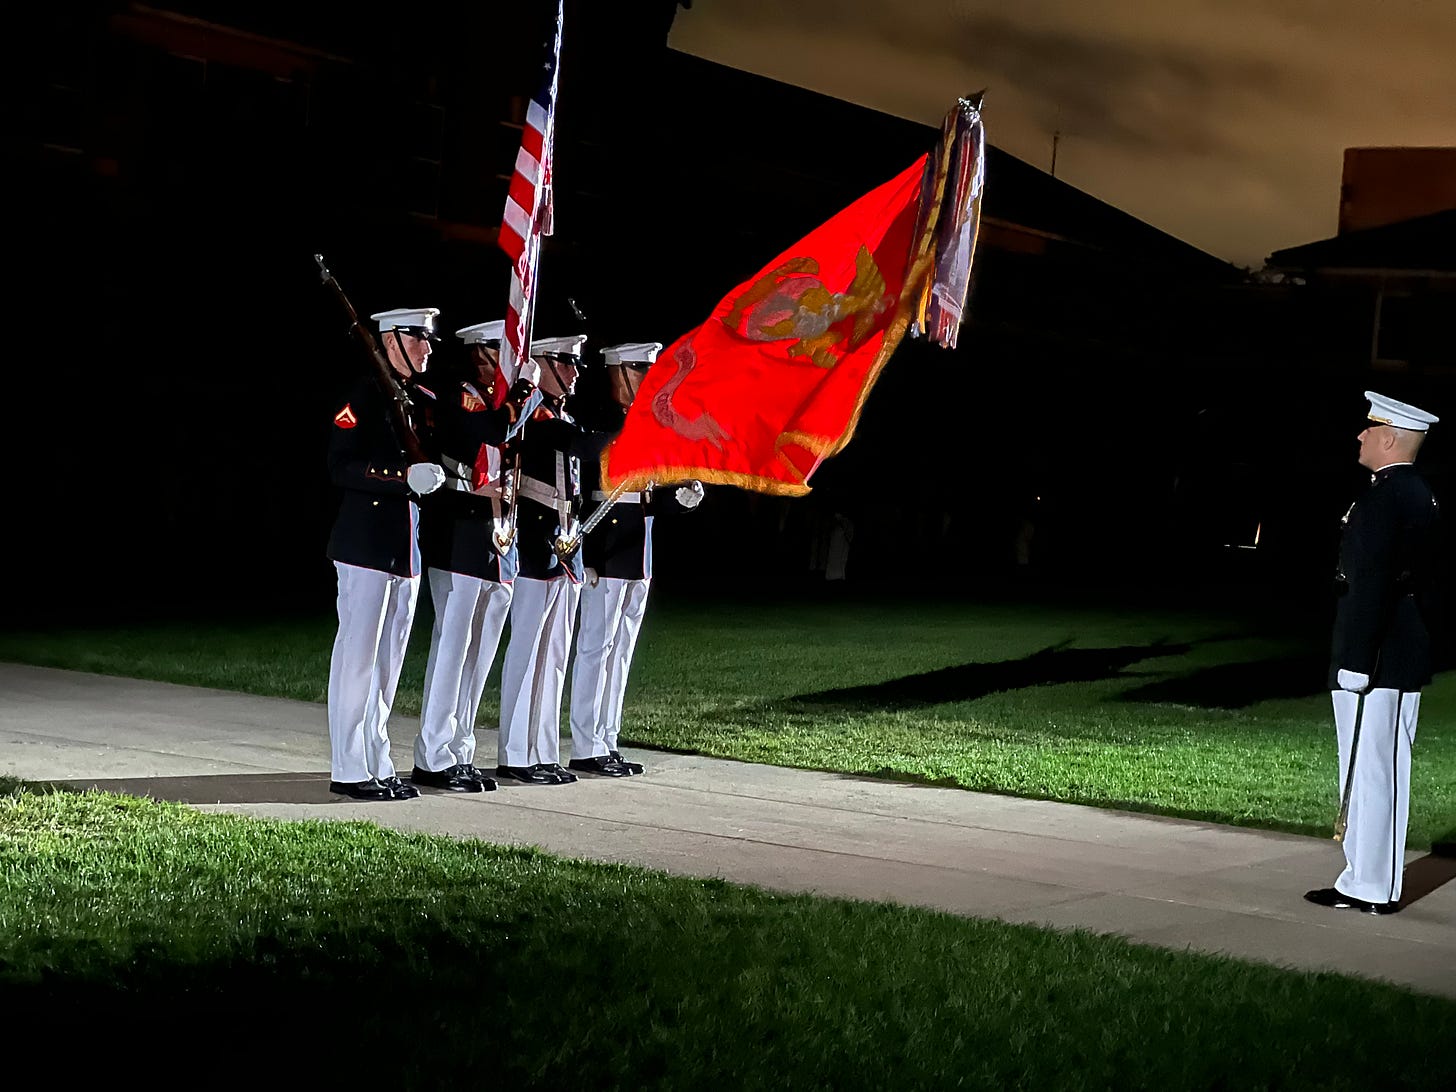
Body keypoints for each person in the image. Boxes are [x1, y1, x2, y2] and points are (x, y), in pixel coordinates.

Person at [1306, 390, 1441, 914]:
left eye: (1369, 428)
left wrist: (1357, 661)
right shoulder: (1416, 493)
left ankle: (1368, 884)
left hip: (1378, 656)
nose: (1360, 435)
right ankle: (1367, 880)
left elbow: (1374, 585)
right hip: (1402, 651)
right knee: (1382, 768)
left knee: (1369, 769)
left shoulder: (1386, 497)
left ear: (1389, 438)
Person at [410, 319, 543, 793]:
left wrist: (525, 396)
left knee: (481, 646)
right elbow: (483, 433)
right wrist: (525, 391)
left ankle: (460, 747)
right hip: (461, 527)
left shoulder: (503, 400)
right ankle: (433, 753)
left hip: (496, 528)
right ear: (480, 354)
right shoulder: (459, 392)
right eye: (498, 354)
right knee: (454, 645)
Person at [324, 306, 447, 801]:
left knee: (389, 661)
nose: (428, 348)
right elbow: (340, 464)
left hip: (404, 546)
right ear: (392, 340)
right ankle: (349, 767)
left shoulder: (418, 399)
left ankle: (377, 758)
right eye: (419, 338)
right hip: (365, 544)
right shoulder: (363, 396)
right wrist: (400, 478)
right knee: (358, 658)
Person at [567, 341, 703, 776]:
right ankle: (586, 746)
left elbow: (649, 495)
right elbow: (575, 494)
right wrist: (583, 553)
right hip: (603, 551)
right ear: (617, 374)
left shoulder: (648, 423)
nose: (648, 380)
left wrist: (680, 498)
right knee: (595, 647)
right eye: (639, 372)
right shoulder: (596, 423)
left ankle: (607, 739)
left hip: (635, 551)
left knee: (621, 650)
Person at [495, 333, 610, 785]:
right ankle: (516, 752)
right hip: (535, 543)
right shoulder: (534, 415)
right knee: (527, 651)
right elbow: (577, 445)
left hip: (565, 548)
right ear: (540, 363)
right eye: (565, 361)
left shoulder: (562, 413)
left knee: (555, 655)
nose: (575, 371)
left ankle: (542, 750)